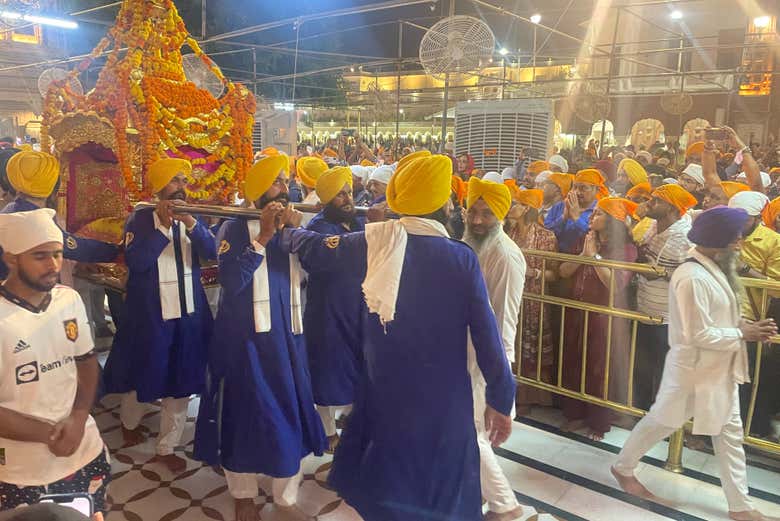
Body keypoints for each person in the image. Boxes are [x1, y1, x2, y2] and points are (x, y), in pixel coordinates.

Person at [279, 153, 516, 521]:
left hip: (385, 392)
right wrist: (501, 398)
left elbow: (312, 248)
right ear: (440, 205)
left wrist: (287, 230)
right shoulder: (460, 258)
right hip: (442, 400)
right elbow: (488, 338)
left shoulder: (374, 243)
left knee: (389, 483)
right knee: (440, 487)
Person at [611, 206, 778, 521]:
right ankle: (623, 467)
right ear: (719, 241)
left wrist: (745, 326)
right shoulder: (691, 276)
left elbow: (716, 315)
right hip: (693, 370)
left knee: (728, 433)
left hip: (717, 369)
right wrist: (743, 332)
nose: (740, 246)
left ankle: (740, 507)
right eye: (737, 240)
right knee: (661, 422)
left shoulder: (712, 267)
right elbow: (696, 333)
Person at [193, 155, 326, 521]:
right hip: (244, 345)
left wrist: (302, 234)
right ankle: (243, 492)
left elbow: (318, 271)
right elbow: (233, 282)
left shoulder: (293, 227)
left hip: (287, 340)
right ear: (256, 193)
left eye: (285, 182)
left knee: (288, 412)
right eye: (277, 183)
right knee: (245, 414)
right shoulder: (232, 230)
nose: (286, 189)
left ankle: (284, 494)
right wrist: (265, 236)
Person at [103, 158, 217, 472]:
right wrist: (164, 229)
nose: (182, 185)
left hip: (188, 314)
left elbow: (213, 252)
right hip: (151, 316)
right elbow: (137, 262)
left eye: (184, 179)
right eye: (175, 180)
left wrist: (192, 225)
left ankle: (166, 446)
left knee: (183, 377)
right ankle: (129, 422)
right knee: (145, 372)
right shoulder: (139, 219)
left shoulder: (191, 218)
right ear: (161, 187)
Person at [0, 209, 110, 515]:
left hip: (85, 452)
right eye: (40, 256)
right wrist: (49, 434)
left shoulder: (68, 299)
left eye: (58, 254)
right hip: (23, 470)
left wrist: (77, 417)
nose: (53, 265)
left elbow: (86, 360)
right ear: (11, 258)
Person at [463, 177, 526, 521]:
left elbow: (503, 325)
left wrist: (498, 388)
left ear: (500, 216)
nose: (477, 220)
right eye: (473, 211)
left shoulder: (504, 256)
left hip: (483, 363)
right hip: (463, 356)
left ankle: (506, 506)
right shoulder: (471, 243)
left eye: (486, 214)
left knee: (472, 433)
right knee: (470, 432)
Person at [559, 197, 638, 440]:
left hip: (605, 317)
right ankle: (576, 414)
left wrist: (594, 258)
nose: (592, 218)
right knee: (574, 360)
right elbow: (563, 272)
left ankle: (598, 422)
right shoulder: (585, 240)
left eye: (599, 214)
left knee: (599, 367)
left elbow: (615, 285)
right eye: (593, 213)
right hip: (577, 309)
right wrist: (584, 254)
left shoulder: (626, 250)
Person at [304, 166, 365, 452]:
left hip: (357, 309)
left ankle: (353, 422)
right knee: (328, 369)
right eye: (340, 195)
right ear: (327, 200)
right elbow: (339, 251)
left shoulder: (353, 221)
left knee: (355, 367)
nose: (348, 199)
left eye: (349, 192)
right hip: (328, 311)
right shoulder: (318, 227)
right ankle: (327, 432)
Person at [0, 150, 119, 280]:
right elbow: (73, 247)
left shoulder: (11, 209)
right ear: (54, 185)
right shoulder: (35, 219)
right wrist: (118, 250)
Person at [633, 185, 697, 410]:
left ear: (671, 208)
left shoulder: (686, 237)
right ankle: (638, 411)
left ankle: (662, 417)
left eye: (656, 201)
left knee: (663, 369)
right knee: (642, 365)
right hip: (644, 307)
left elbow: (688, 276)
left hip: (667, 316)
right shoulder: (652, 226)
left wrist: (654, 273)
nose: (649, 204)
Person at [505, 189, 558, 411]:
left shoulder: (546, 237)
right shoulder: (506, 233)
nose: (510, 207)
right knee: (510, 342)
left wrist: (532, 273)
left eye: (515, 203)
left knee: (532, 347)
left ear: (526, 208)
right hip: (511, 295)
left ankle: (529, 396)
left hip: (534, 299)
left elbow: (554, 274)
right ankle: (510, 392)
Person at [547, 169, 608, 253]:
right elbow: (545, 233)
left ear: (597, 190)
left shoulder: (600, 212)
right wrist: (563, 218)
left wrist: (577, 218)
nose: (578, 192)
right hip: (553, 255)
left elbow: (596, 239)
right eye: (575, 187)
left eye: (583, 188)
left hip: (582, 260)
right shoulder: (560, 206)